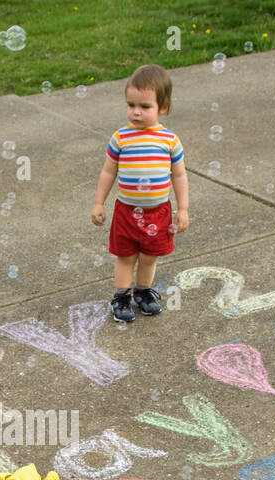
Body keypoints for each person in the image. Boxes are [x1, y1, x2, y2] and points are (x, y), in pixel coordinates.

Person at [91, 64, 189, 323]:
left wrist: (183, 209)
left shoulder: (169, 141)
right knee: (125, 256)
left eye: (145, 107)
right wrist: (99, 202)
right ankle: (121, 296)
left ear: (163, 108)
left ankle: (143, 292)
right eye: (131, 105)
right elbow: (108, 172)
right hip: (126, 211)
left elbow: (179, 176)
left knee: (149, 256)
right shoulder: (120, 138)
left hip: (158, 212)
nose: (136, 112)